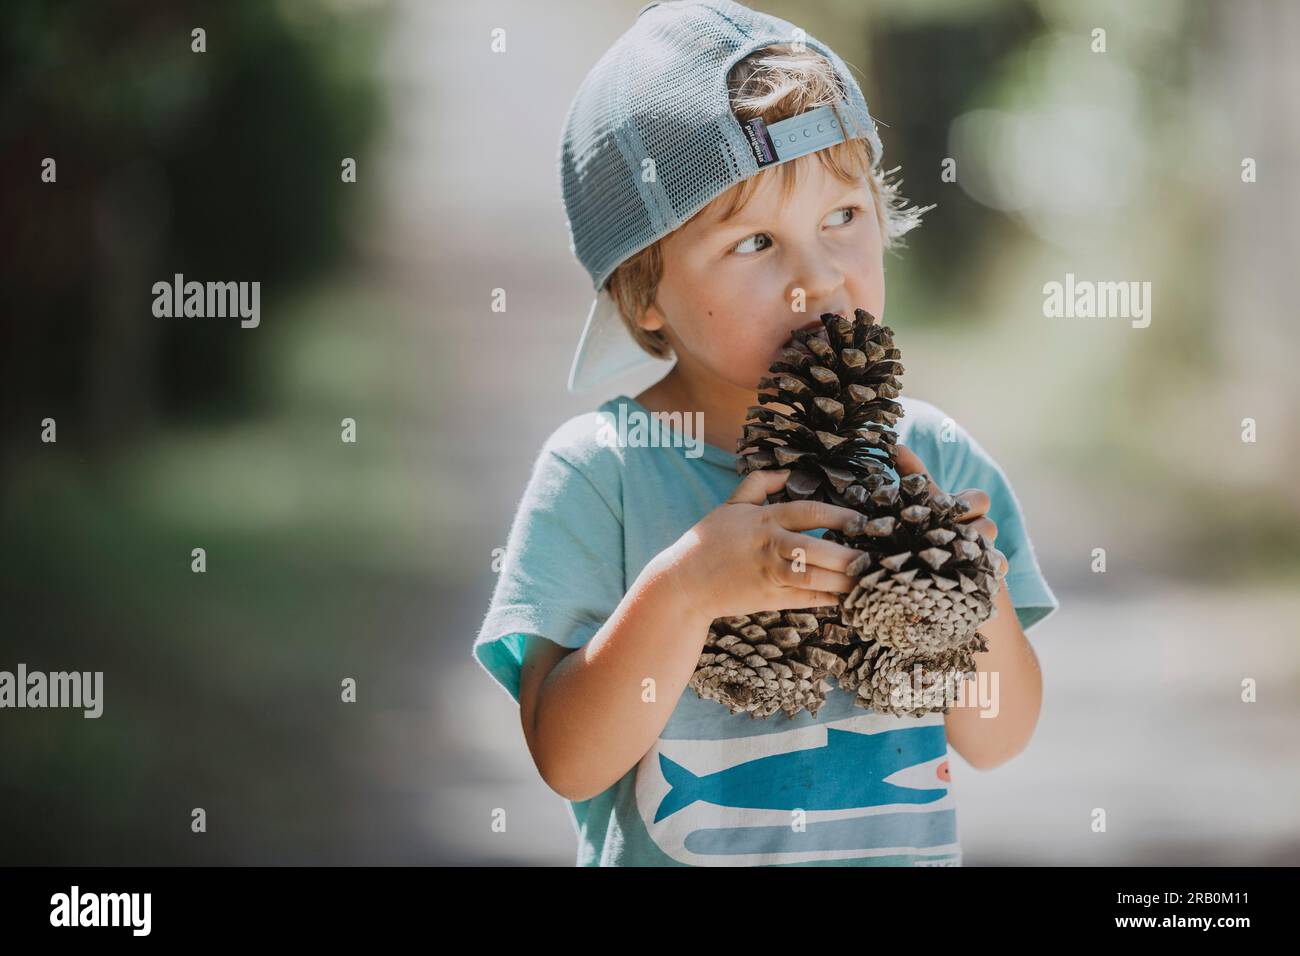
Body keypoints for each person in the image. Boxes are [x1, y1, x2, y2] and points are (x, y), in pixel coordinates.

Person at [472, 0, 1059, 866]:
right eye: (754, 242)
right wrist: (685, 590)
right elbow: (567, 759)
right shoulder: (603, 474)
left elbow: (997, 738)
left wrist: (971, 586)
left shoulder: (934, 460)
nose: (816, 280)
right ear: (643, 295)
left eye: (843, 218)